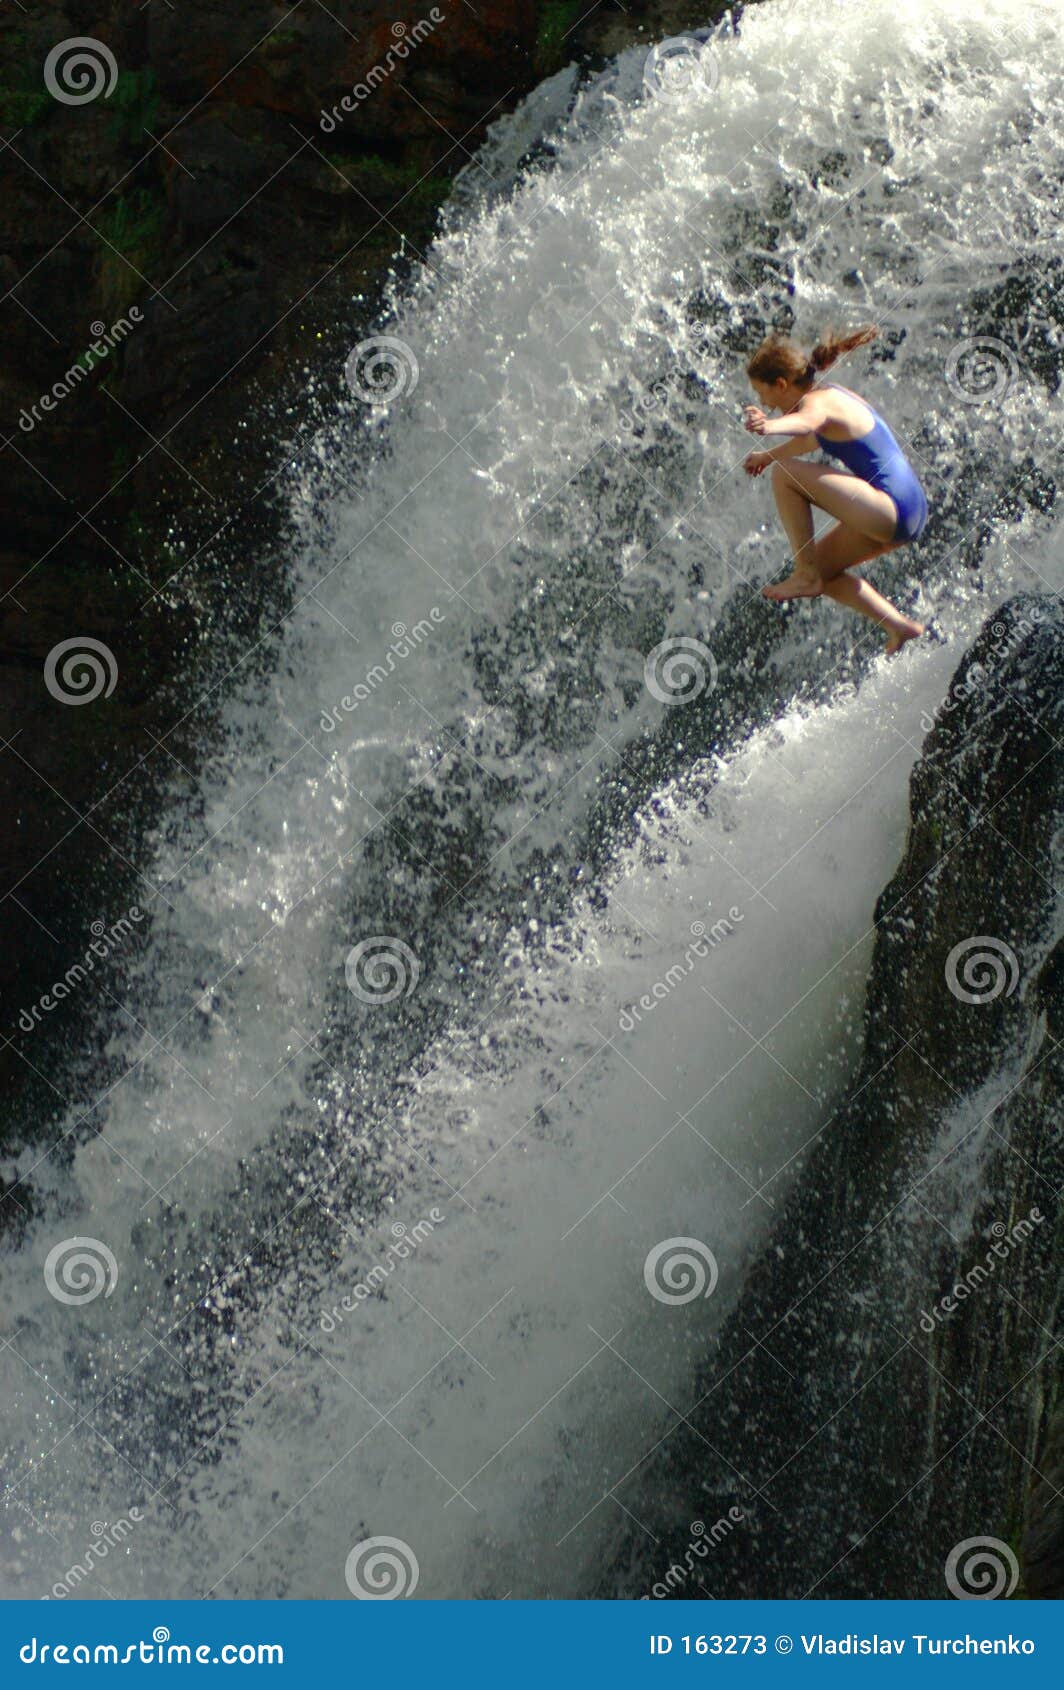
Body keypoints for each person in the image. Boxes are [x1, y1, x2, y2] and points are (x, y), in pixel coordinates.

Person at [743, 326, 927, 654]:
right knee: (823, 571)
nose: (764, 404)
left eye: (763, 395)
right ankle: (898, 626)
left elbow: (808, 423)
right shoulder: (834, 395)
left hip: (891, 506)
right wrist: (767, 456)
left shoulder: (818, 402)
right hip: (905, 511)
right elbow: (812, 438)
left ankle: (803, 575)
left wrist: (769, 428)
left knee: (785, 477)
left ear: (781, 384)